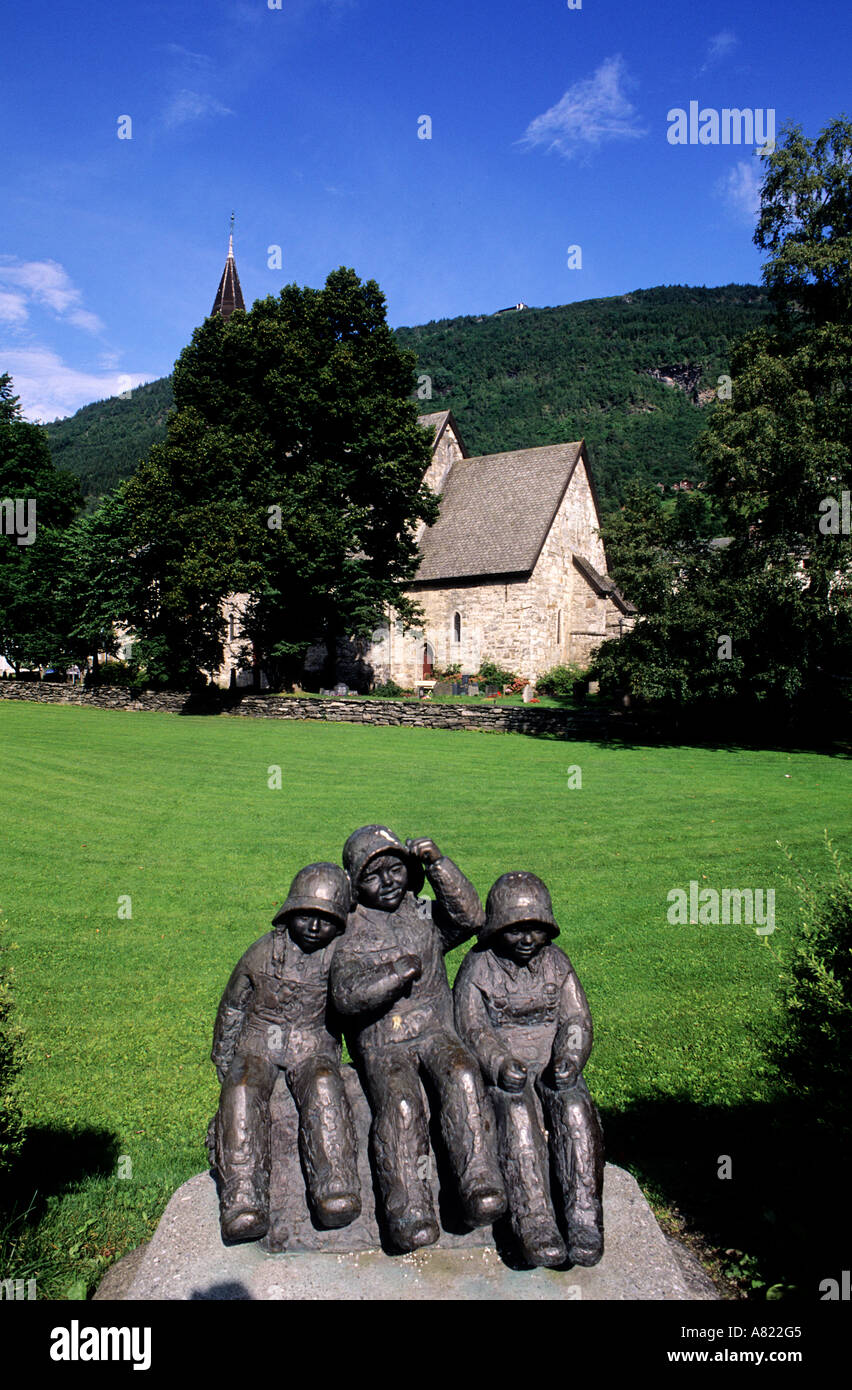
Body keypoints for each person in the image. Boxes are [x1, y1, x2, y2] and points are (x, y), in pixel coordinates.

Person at [330, 826, 506, 1253]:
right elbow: (345, 995)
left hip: (434, 1030)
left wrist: (439, 865)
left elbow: (469, 918)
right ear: (354, 885)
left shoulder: (422, 912)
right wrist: (392, 976)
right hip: (382, 1040)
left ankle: (478, 1181)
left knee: (463, 1074)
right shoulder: (349, 930)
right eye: (373, 876)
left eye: (396, 871)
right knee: (401, 1103)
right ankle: (408, 1208)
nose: (388, 882)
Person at [453, 871, 604, 1268]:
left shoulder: (557, 963)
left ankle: (583, 1214)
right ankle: (533, 1219)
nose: (526, 940)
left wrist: (570, 1057)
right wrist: (500, 1062)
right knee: (517, 1116)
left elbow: (576, 1019)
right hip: (508, 1072)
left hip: (553, 1064)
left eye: (534, 930)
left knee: (574, 1111)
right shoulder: (479, 966)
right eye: (515, 931)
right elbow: (472, 1027)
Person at [211, 862, 360, 1242]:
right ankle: (244, 1198)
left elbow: (355, 1004)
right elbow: (233, 1005)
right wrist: (226, 1060)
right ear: (290, 912)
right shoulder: (262, 952)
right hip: (260, 1040)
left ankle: (335, 1185)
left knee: (325, 1085)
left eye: (325, 920)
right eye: (306, 916)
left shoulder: (339, 957)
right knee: (242, 1089)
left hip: (313, 1043)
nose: (313, 928)